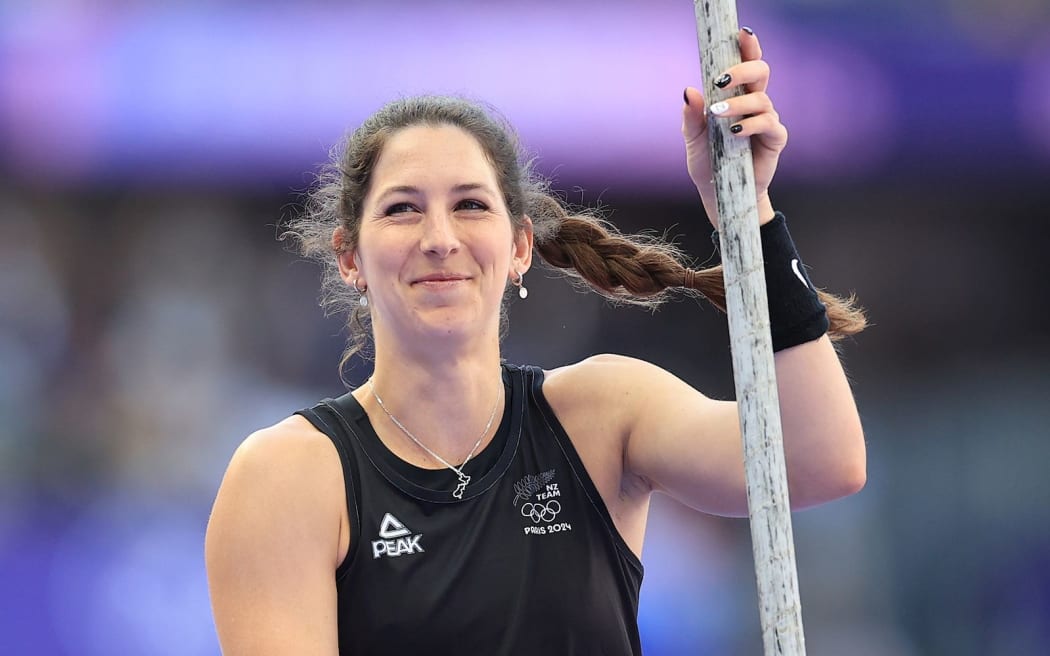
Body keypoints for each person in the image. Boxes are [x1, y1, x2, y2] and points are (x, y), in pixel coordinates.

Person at [205, 28, 867, 655]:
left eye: (470, 205)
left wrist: (748, 211)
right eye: (402, 208)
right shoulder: (289, 477)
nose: (440, 238)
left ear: (520, 246)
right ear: (350, 257)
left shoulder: (600, 417)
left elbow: (819, 460)